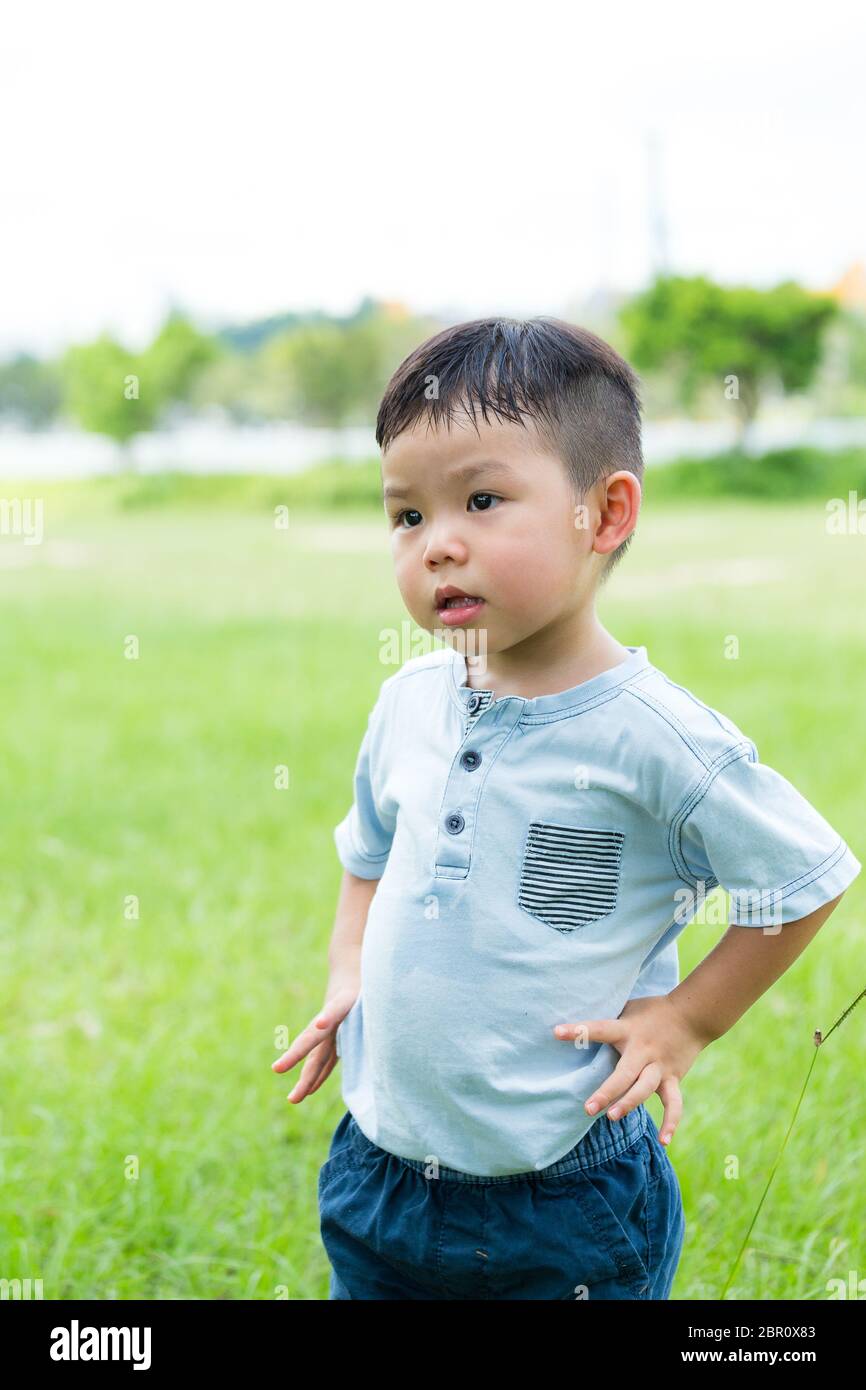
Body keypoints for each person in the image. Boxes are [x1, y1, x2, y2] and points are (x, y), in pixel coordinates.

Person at [272, 317, 861, 1299]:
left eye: (481, 499)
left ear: (605, 512)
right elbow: (366, 850)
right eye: (406, 516)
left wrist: (683, 1021)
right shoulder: (407, 702)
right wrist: (346, 972)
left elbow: (803, 878)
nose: (436, 544)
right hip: (381, 1168)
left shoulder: (652, 738)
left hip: (561, 1200)